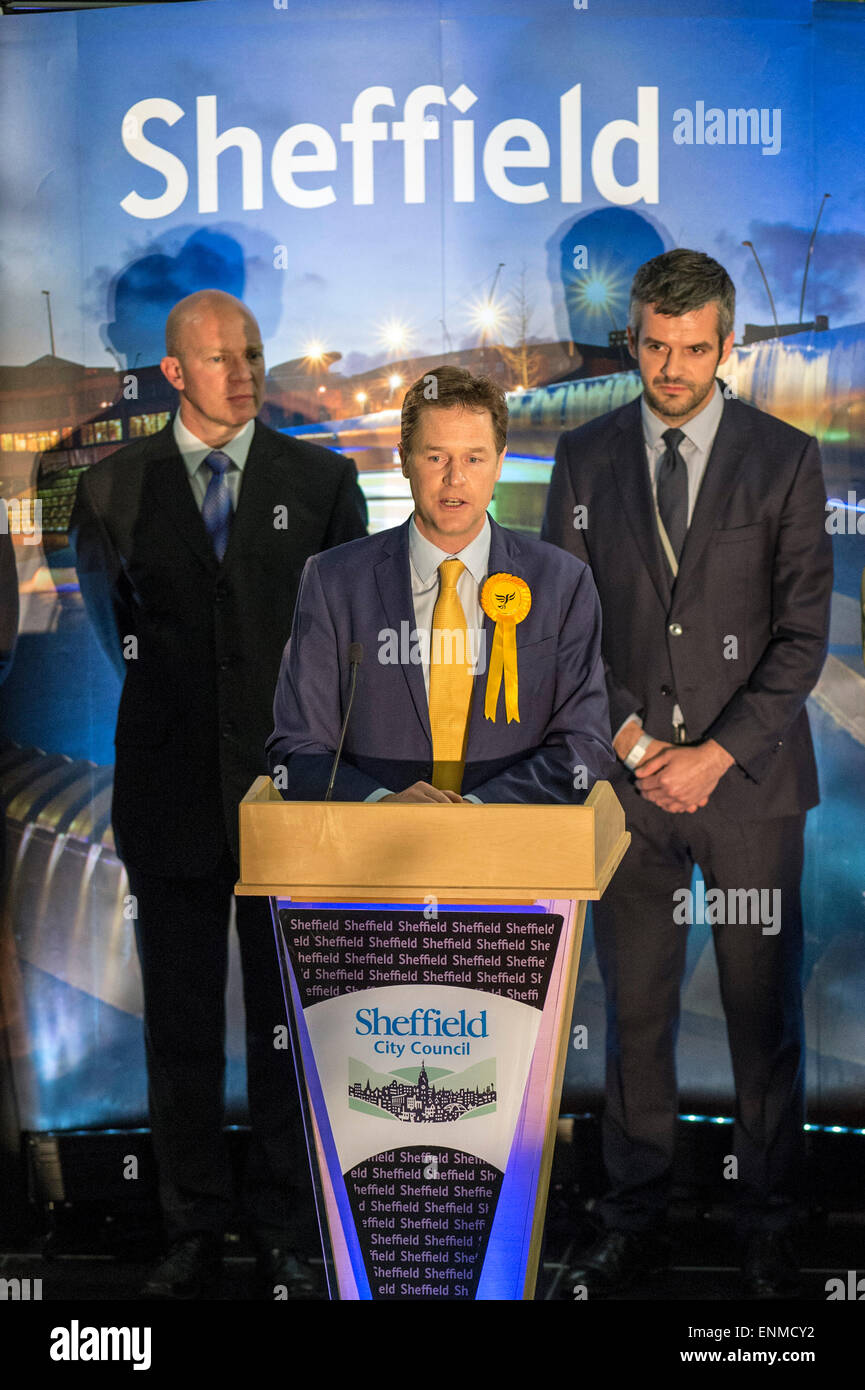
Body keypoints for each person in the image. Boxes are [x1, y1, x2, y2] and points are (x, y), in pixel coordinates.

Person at [541, 249, 833, 1299]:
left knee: (763, 1022)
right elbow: (563, 633)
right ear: (633, 338)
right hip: (629, 798)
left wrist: (714, 755)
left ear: (726, 345)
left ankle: (768, 1223)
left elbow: (800, 638)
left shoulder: (786, 459)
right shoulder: (581, 459)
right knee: (637, 1020)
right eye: (654, 347)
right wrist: (632, 752)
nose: (672, 367)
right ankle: (632, 1218)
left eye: (693, 349)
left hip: (749, 793)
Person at [70, 289, 368, 1299]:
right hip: (168, 802)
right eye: (218, 356)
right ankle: (190, 1227)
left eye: (250, 352)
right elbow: (122, 641)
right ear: (172, 373)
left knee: (290, 1028)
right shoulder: (111, 488)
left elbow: (344, 652)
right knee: (182, 1031)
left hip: (291, 808)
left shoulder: (323, 484)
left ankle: (287, 1223)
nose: (242, 371)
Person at [266, 365, 614, 806]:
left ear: (500, 462)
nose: (455, 477)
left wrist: (476, 812)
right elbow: (296, 749)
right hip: (374, 856)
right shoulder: (332, 581)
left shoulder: (563, 583)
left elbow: (585, 746)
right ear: (403, 459)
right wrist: (379, 804)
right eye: (436, 457)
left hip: (513, 856)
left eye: (474, 457)